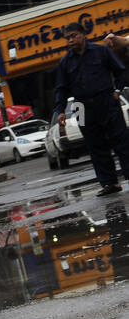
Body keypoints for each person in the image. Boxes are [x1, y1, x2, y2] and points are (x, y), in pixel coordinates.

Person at [54, 22, 129, 196]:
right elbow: (61, 88)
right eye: (68, 38)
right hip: (80, 106)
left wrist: (117, 91)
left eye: (73, 36)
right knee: (95, 146)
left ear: (83, 34)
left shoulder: (101, 51)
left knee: (121, 140)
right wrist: (60, 110)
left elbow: (119, 71)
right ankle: (110, 184)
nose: (71, 40)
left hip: (106, 100)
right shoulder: (65, 62)